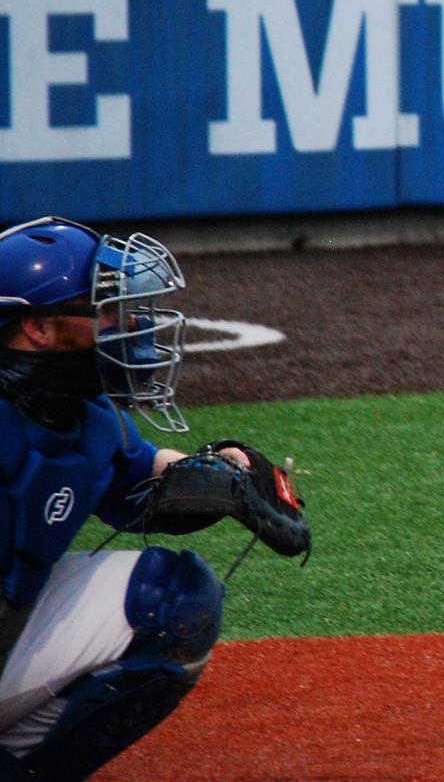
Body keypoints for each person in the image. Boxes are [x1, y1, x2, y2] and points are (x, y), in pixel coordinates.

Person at [0, 216, 286, 780]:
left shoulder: (84, 419)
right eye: (103, 311)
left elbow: (144, 479)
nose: (125, 325)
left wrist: (232, 470)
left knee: (172, 602)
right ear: (38, 327)